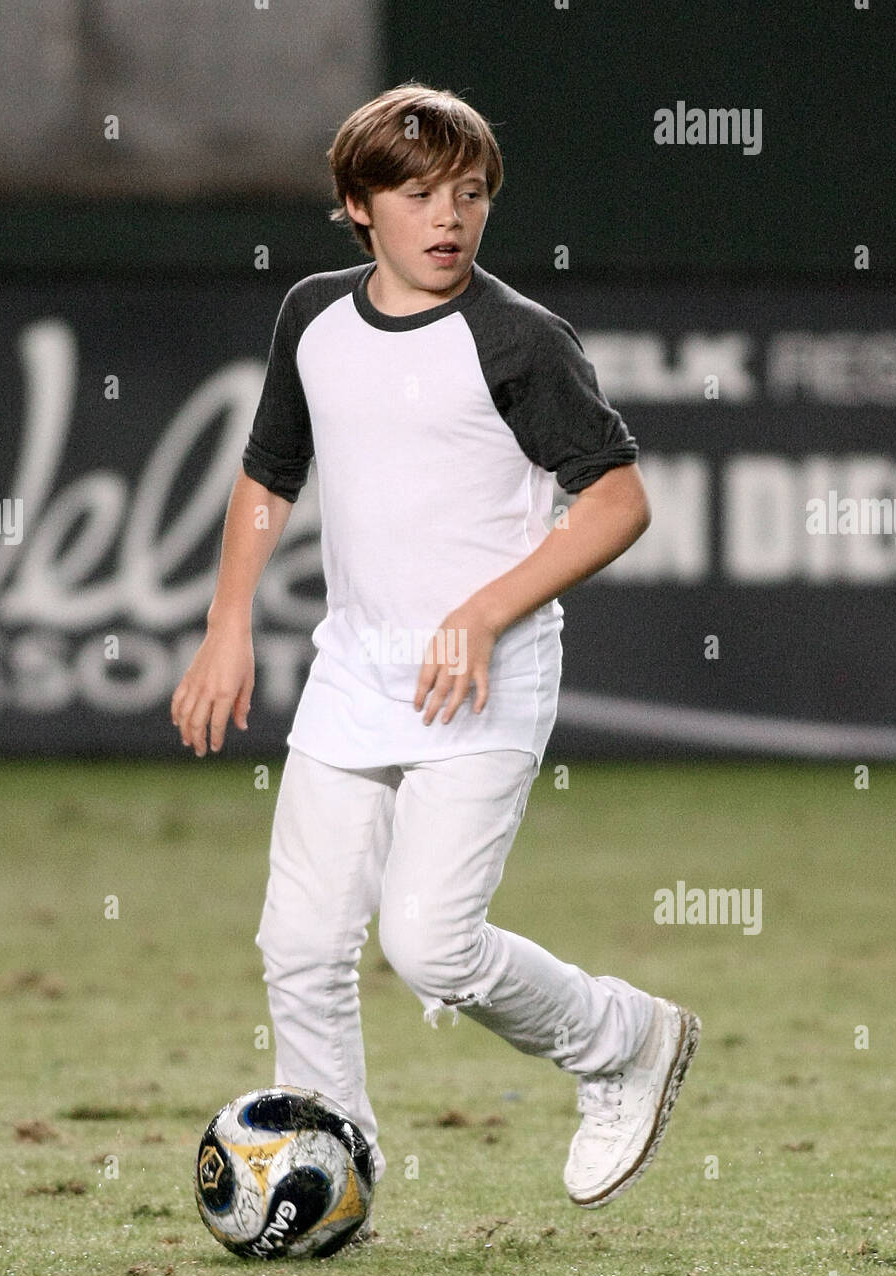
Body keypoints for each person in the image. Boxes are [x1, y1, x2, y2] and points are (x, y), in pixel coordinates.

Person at [170, 83, 700, 1211]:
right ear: (359, 206)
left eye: (468, 193)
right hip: (355, 668)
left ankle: (624, 1040)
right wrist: (226, 623)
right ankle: (334, 1176)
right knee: (300, 943)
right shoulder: (313, 316)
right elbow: (270, 473)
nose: (449, 217)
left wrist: (484, 612)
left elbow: (618, 502)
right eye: (418, 195)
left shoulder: (518, 338)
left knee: (430, 946)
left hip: (486, 675)